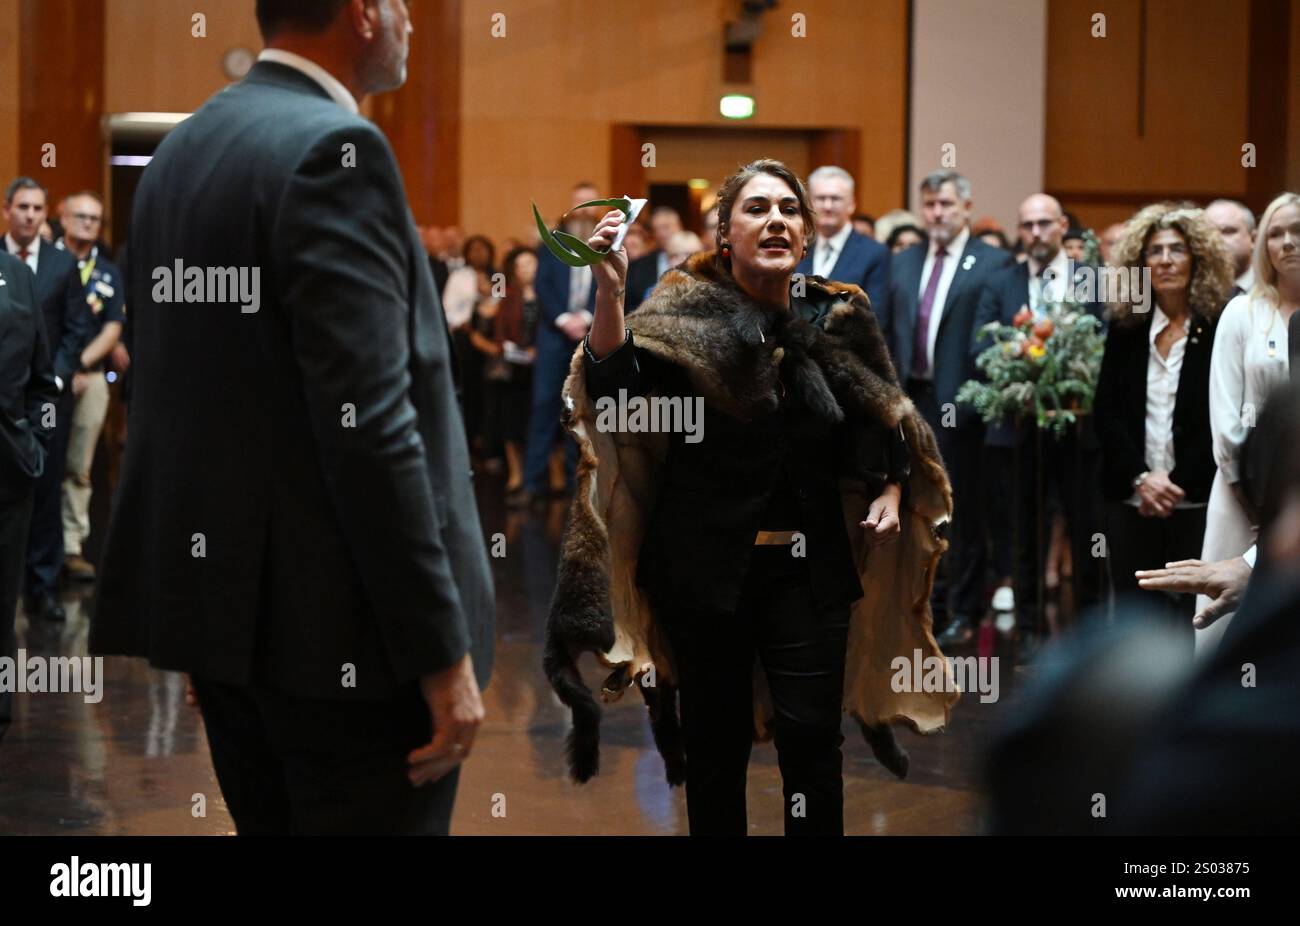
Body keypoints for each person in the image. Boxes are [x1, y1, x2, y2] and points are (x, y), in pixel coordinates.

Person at [90, 0, 494, 835]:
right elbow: (373, 428)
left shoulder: (179, 152)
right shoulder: (335, 152)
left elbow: (178, 396)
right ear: (359, 14)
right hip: (351, 647)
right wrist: (438, 651)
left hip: (240, 638)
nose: (412, 17)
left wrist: (213, 622)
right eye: (399, 3)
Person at [544, 159, 955, 835]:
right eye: (757, 209)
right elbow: (617, 396)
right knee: (714, 749)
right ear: (724, 234)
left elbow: (880, 414)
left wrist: (888, 486)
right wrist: (611, 295)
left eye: (790, 210)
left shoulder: (839, 313)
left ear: (807, 232)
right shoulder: (682, 310)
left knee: (813, 747)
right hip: (705, 574)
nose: (776, 221)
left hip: (812, 570)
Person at [878, 169, 1007, 646]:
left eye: (946, 205)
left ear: (966, 208)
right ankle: (924, 606)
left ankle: (966, 609)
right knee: (916, 508)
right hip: (911, 401)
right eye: (929, 204)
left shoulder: (993, 262)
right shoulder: (904, 261)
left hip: (964, 406)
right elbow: (889, 331)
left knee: (962, 511)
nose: (937, 213)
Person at [1094, 204, 1232, 644]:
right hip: (1133, 496)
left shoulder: (1218, 324)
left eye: (1177, 249)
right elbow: (1106, 412)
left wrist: (1173, 484)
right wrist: (1142, 478)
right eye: (1155, 250)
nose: (1167, 259)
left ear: (1197, 259)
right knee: (1136, 612)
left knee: (1189, 615)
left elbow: (1221, 414)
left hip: (1194, 498)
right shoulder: (1126, 326)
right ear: (1141, 263)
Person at [974, 193, 1106, 648]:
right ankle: (1028, 626)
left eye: (1043, 224)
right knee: (1024, 527)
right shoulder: (1001, 280)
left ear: (1061, 225)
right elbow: (980, 347)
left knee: (1086, 525)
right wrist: (1019, 357)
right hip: (1022, 427)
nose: (1034, 233)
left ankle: (1089, 629)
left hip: (1079, 424)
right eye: (1026, 225)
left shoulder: (1092, 279)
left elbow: (1105, 341)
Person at [1198, 191, 1298, 650]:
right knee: (1222, 625)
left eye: (1297, 232)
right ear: (1264, 246)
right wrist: (1253, 496)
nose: (1288, 243)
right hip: (1241, 491)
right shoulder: (1242, 310)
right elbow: (1225, 410)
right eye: (1276, 234)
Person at [3, 177, 92, 623]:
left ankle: (43, 586)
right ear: (7, 210)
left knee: (48, 487)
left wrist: (54, 380)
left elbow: (76, 329)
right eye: (23, 207)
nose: (31, 216)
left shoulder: (60, 265)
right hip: (5, 401)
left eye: (38, 208)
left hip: (45, 401)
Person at [0, 250, 60, 742]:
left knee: (3, 605)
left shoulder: (18, 276)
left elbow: (45, 386)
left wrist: (37, 445)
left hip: (8, 473)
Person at [54, 191, 127, 583]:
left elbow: (114, 327)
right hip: (48, 378)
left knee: (79, 465)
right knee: (40, 462)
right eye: (79, 216)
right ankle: (37, 547)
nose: (87, 223)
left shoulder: (108, 272)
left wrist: (81, 365)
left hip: (91, 377)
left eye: (94, 219)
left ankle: (71, 546)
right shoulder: (45, 263)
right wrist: (61, 369)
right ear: (62, 218)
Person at [522, 182, 599, 506]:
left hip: (591, 336)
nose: (583, 210)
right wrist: (564, 319)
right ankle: (532, 484)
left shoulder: (609, 241)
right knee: (543, 408)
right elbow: (542, 285)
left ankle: (575, 485)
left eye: (589, 204)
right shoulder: (552, 242)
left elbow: (617, 287)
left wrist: (585, 316)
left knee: (579, 411)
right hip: (554, 337)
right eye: (577, 204)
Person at [474, 246, 539, 504]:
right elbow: (498, 328)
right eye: (521, 265)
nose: (526, 270)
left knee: (543, 421)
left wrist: (536, 349)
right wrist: (508, 348)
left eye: (531, 264)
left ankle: (548, 476)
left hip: (540, 365)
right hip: (514, 368)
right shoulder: (508, 296)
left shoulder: (548, 294)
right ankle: (516, 474)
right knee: (512, 421)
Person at [796, 165, 890, 316]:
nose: (828, 206)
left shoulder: (874, 253)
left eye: (835, 198)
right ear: (809, 203)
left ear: (851, 204)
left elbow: (875, 316)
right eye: (820, 198)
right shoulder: (799, 248)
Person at [624, 205, 683, 312]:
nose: (662, 233)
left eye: (666, 227)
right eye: (657, 229)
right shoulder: (639, 266)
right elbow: (629, 306)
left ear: (679, 226)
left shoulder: (696, 258)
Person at [1204, 198, 1256, 298]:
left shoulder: (1274, 287)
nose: (1217, 240)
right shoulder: (1193, 294)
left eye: (1227, 231)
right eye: (1208, 233)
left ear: (1253, 239)